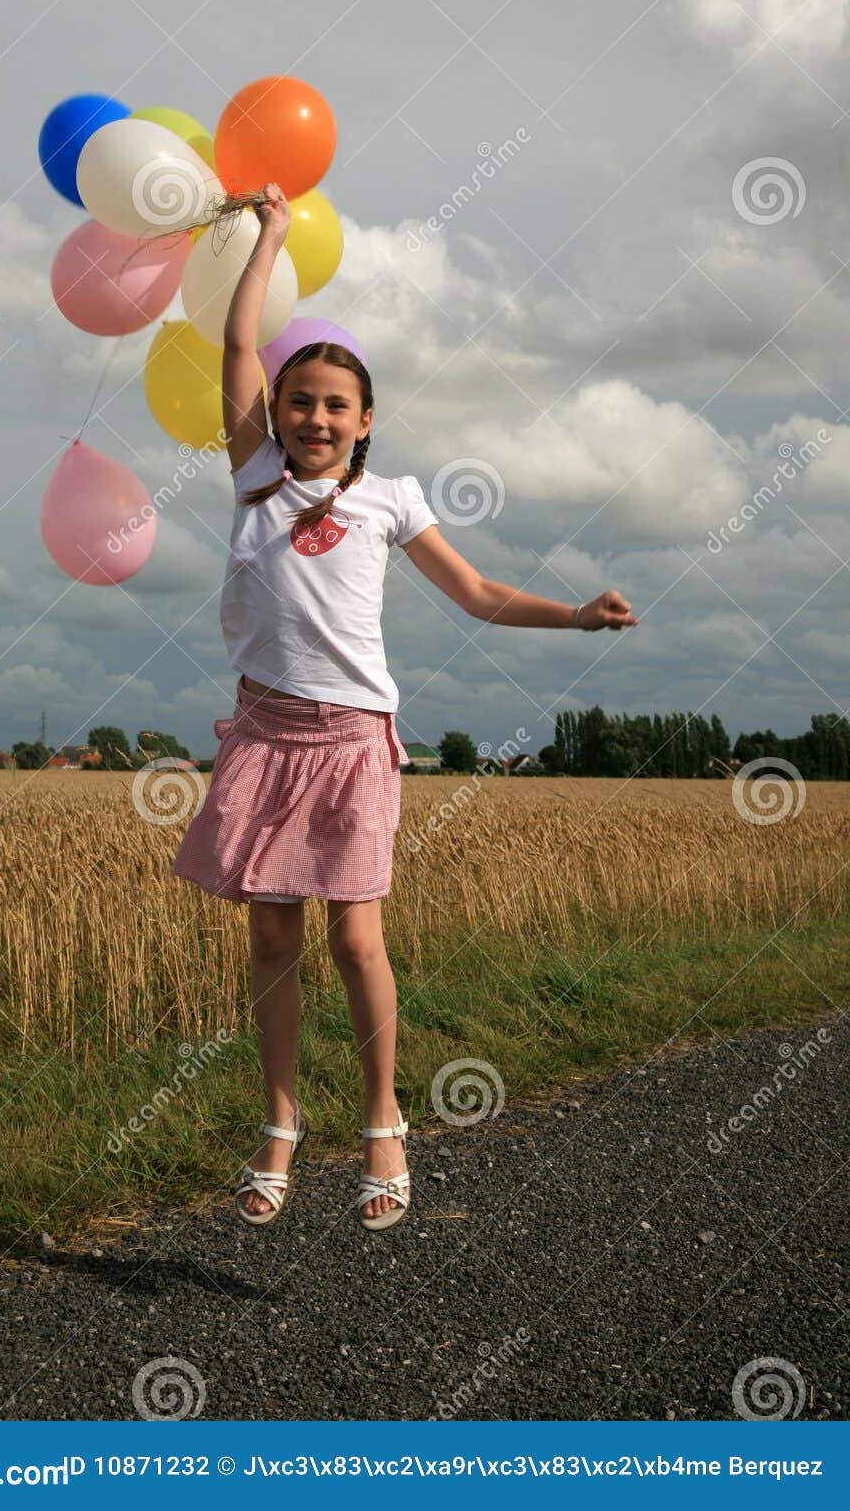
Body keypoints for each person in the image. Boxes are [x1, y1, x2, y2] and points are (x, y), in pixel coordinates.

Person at [172, 181, 638, 1231]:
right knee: (271, 942)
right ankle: (280, 1124)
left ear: (366, 421)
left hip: (350, 743)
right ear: (274, 417)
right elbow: (238, 343)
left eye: (337, 405)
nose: (314, 417)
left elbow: (475, 594)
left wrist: (574, 615)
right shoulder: (253, 480)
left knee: (355, 943)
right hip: (262, 736)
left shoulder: (390, 500)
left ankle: (383, 1119)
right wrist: (271, 236)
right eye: (299, 402)